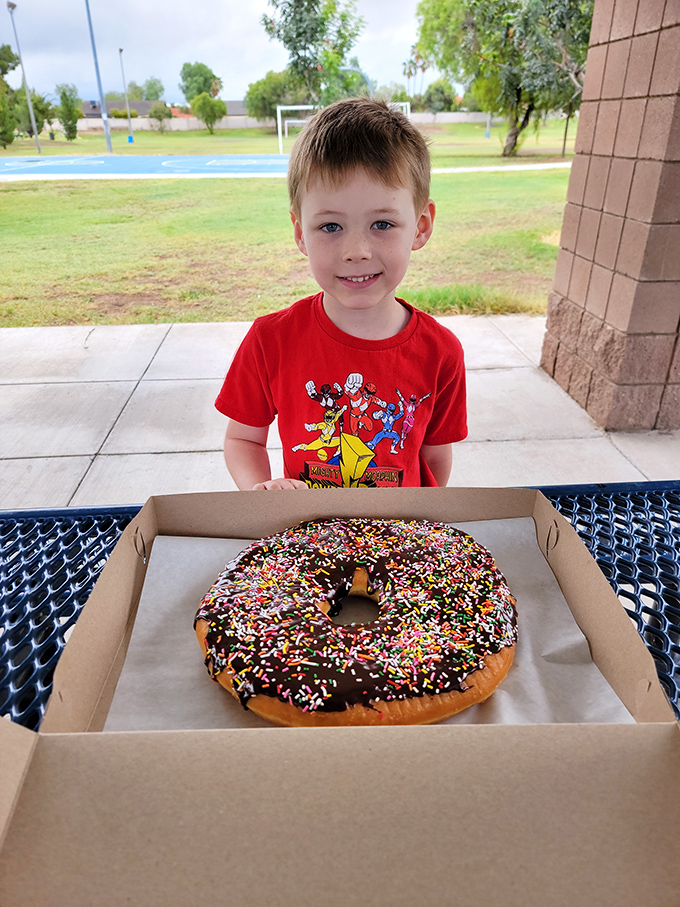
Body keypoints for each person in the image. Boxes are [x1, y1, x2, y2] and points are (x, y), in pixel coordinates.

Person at [216, 97, 467, 491]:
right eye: (331, 227)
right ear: (300, 232)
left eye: (382, 223)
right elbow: (242, 439)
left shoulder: (441, 353)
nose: (357, 251)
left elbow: (435, 455)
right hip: (306, 541)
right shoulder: (270, 341)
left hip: (401, 540)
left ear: (420, 227)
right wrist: (258, 491)